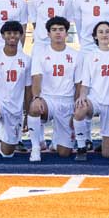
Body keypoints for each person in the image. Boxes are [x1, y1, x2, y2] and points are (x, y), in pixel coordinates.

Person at [26, 16, 84, 162]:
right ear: (48, 34)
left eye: (61, 30)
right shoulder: (40, 53)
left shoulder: (76, 55)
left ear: (66, 33)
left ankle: (57, 140)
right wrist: (37, 97)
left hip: (67, 102)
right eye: (54, 30)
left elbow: (78, 85)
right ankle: (35, 148)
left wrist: (76, 108)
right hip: (48, 100)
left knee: (64, 153)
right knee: (34, 107)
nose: (57, 33)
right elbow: (36, 78)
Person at [0, 21, 31, 162]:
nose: (12, 36)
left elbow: (28, 89)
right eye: (9, 33)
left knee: (8, 153)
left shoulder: (26, 60)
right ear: (3, 36)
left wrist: (27, 114)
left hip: (14, 108)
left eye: (15, 33)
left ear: (21, 36)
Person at [73, 20, 109, 161]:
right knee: (80, 108)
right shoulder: (89, 56)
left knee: (108, 154)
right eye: (100, 32)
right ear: (95, 36)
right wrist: (82, 96)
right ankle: (81, 147)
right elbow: (85, 82)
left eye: (107, 31)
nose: (104, 34)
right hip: (95, 99)